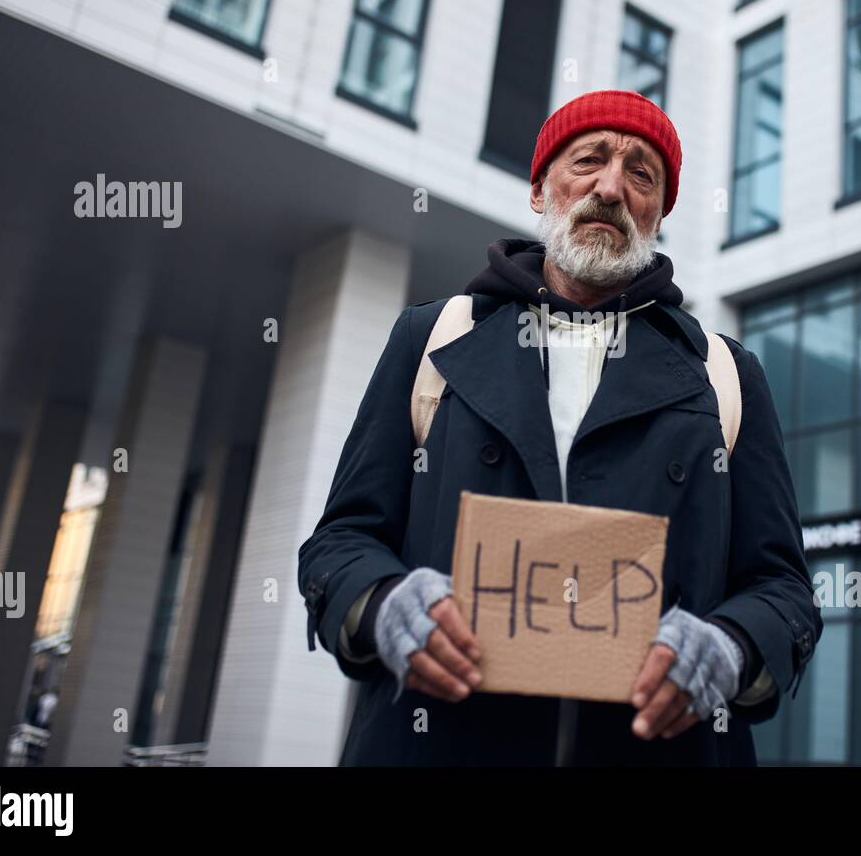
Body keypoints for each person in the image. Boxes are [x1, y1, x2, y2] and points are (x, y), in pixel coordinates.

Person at [299, 89, 821, 765]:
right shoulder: (431, 339)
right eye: (589, 160)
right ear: (540, 191)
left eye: (642, 175)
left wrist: (730, 646)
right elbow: (339, 541)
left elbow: (784, 592)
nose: (610, 187)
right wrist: (383, 602)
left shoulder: (726, 373)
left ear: (658, 213)